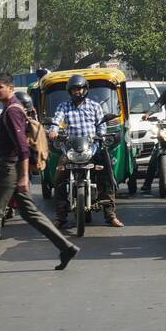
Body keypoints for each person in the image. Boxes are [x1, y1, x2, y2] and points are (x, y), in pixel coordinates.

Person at [0, 72, 78, 275]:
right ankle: (66, 248)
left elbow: (22, 148)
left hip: (11, 169)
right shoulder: (9, 110)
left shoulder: (11, 112)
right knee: (31, 214)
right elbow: (4, 148)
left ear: (10, 88)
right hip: (10, 165)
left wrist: (24, 177)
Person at [48, 74, 124, 230]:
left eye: (80, 89)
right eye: (74, 89)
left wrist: (101, 135)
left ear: (85, 89)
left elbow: (101, 125)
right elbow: (57, 120)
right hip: (71, 148)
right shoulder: (64, 106)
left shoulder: (94, 106)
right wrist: (53, 131)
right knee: (59, 178)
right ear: (69, 91)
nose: (77, 92)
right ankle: (60, 218)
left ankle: (111, 216)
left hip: (92, 147)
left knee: (107, 177)